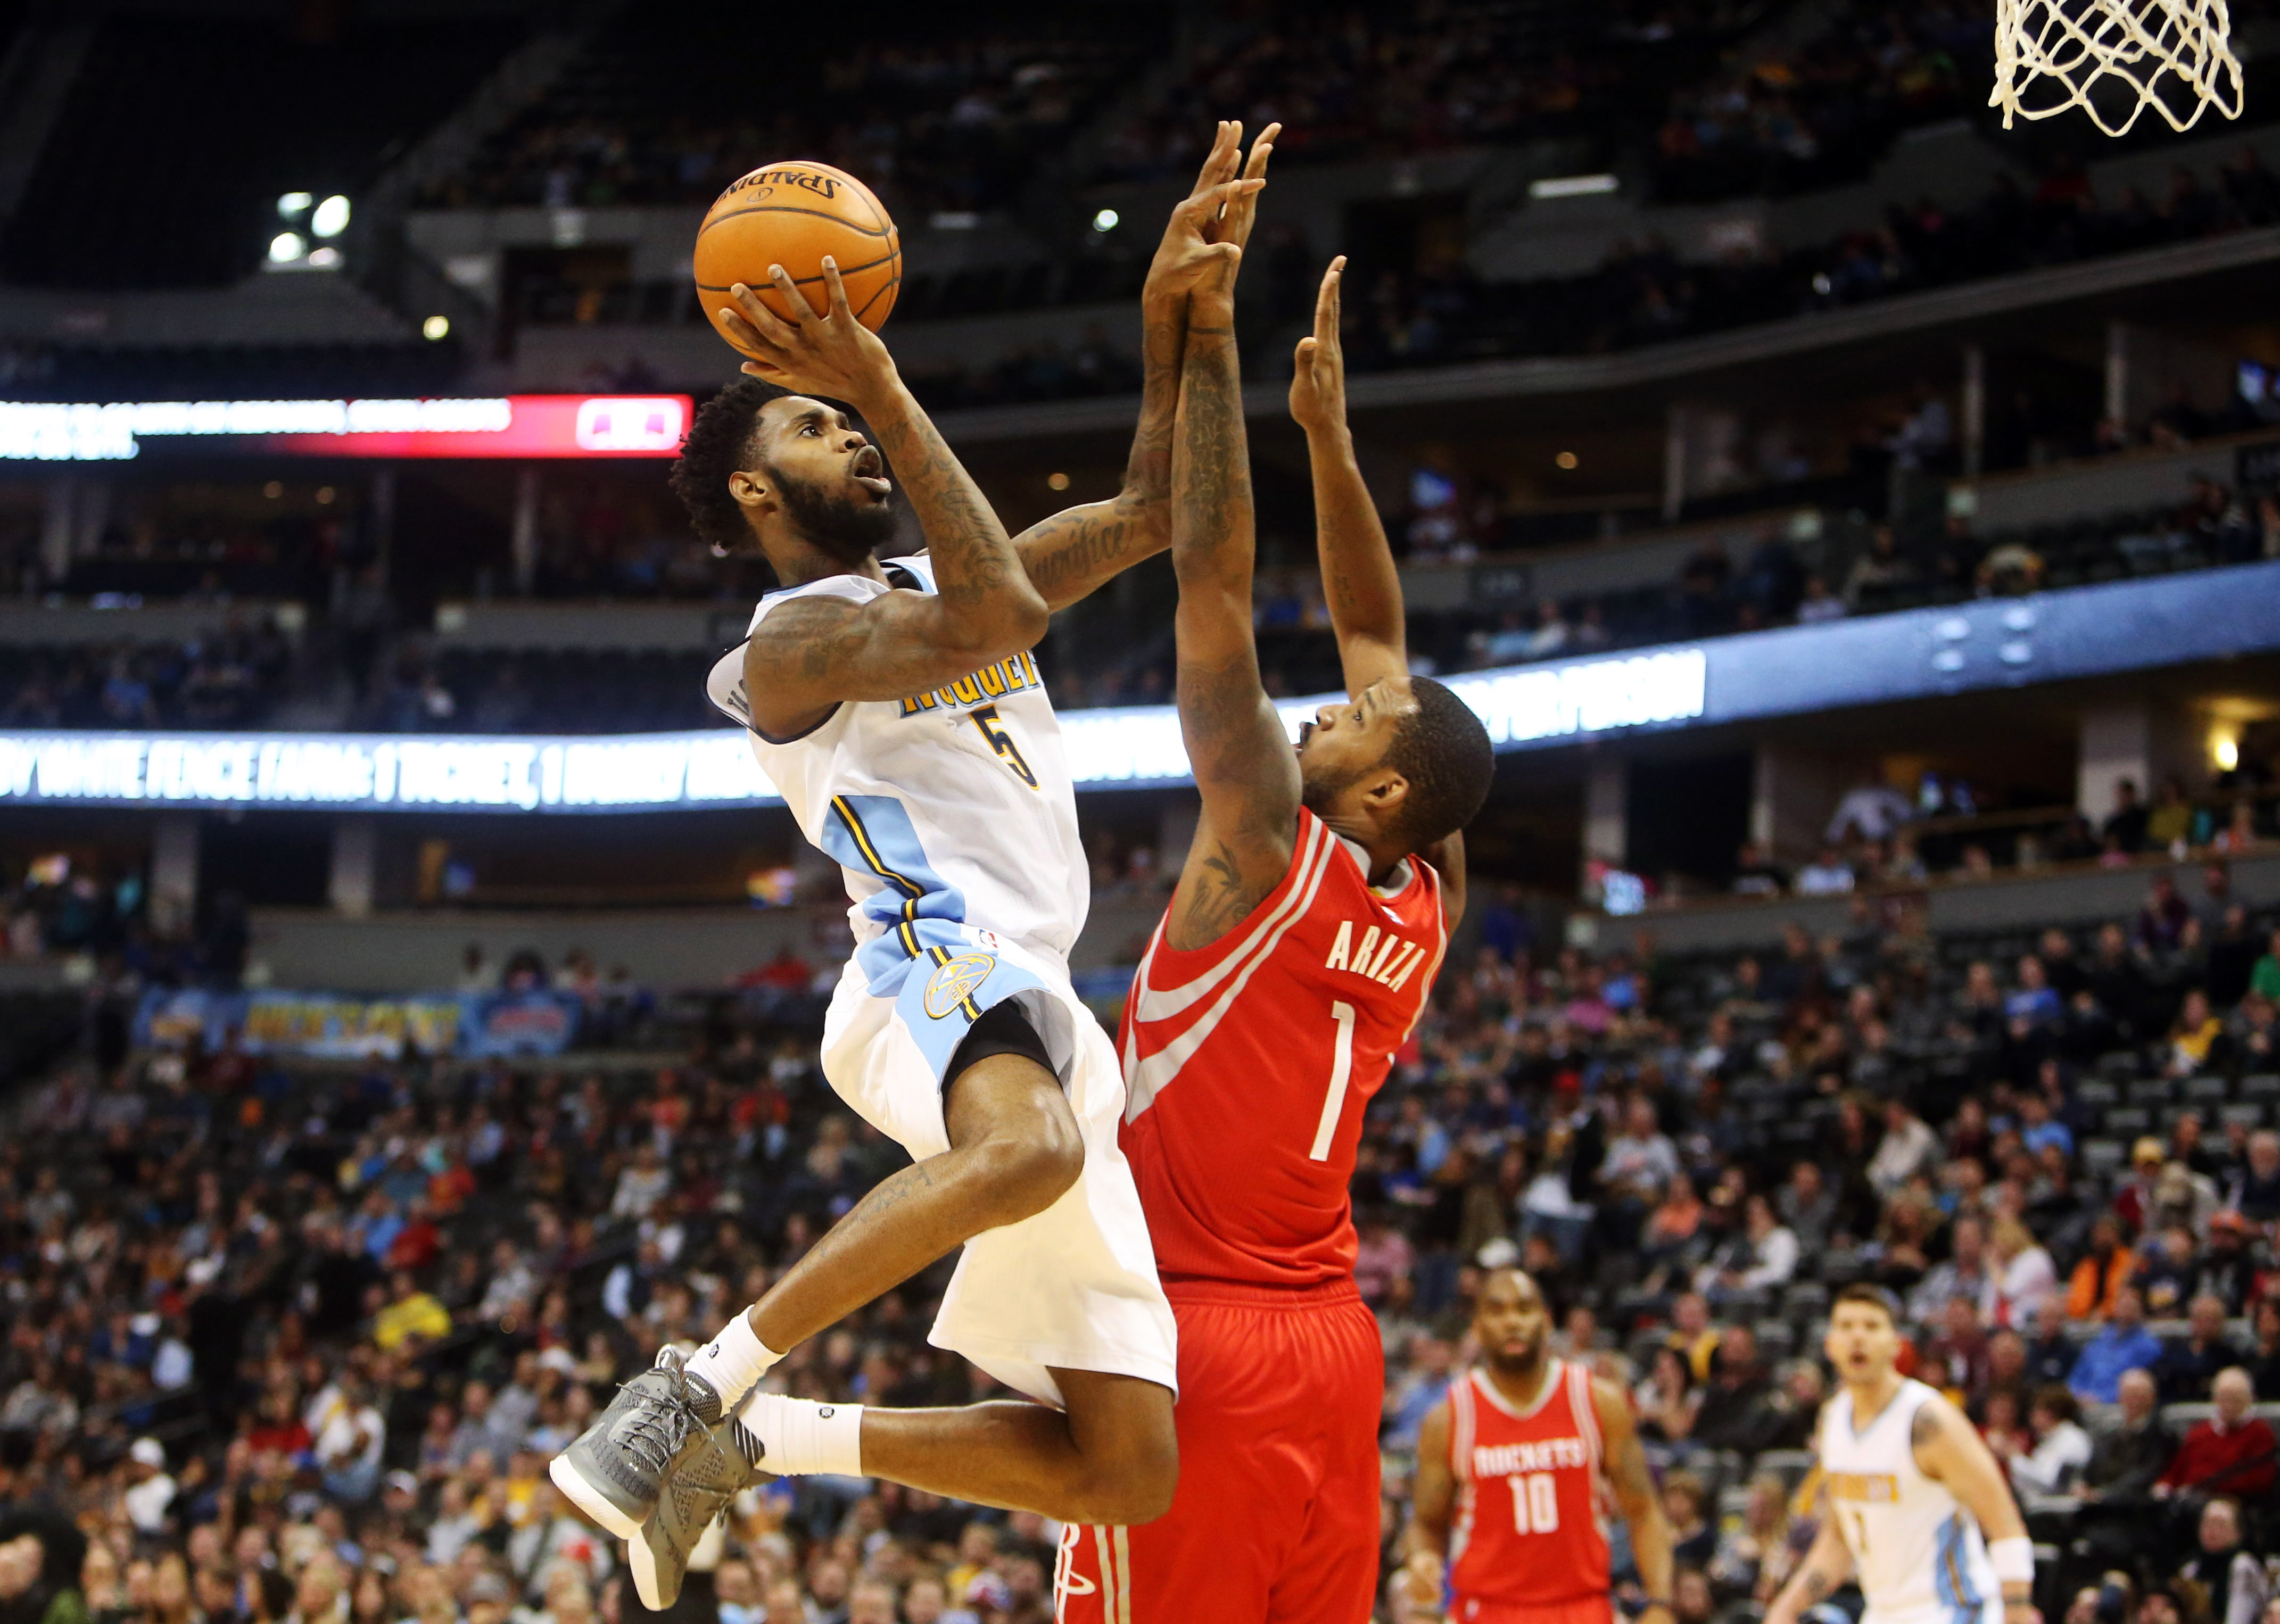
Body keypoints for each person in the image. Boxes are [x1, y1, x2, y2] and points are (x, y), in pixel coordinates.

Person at [548, 126, 1273, 1600]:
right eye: (816, 429)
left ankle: (766, 1439)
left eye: (852, 419)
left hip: (1036, 991)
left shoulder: (938, 577)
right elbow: (999, 616)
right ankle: (693, 1385)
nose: (857, 439)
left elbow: (1156, 511)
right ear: (755, 494)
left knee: (1126, 1465)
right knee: (1031, 1152)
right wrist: (877, 376)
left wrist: (1184, 320)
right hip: (929, 958)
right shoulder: (785, 649)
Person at [1058, 187, 1496, 1624]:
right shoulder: (1428, 894)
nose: (1327, 708)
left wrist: (1202, 335)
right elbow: (1378, 637)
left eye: (1353, 722)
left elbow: (1215, 580)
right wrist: (1328, 441)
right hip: (1333, 1350)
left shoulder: (1260, 839)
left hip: (1197, 1335)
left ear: (1383, 789)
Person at [1406, 1269, 1676, 1624]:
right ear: (1477, 1326)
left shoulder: (1597, 1402)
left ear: (1547, 1320)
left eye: (1524, 1308)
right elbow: (1427, 1524)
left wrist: (1660, 1603)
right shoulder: (1450, 1419)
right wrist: (1424, 1598)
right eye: (1497, 1311)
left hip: (1581, 1607)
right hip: (1485, 1610)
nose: (1512, 1322)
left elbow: (1643, 1510)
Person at [1764, 1285, 2037, 1624]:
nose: (1858, 1337)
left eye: (1872, 1326)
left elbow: (2006, 1524)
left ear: (1896, 1344)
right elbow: (1839, 1536)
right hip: (1883, 1613)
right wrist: (1786, 1608)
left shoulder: (1928, 1421)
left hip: (1953, 1611)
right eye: (1846, 1326)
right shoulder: (1833, 1419)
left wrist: (2017, 1613)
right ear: (1830, 1345)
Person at [2155, 1368, 2275, 1501]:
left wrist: (2204, 1488)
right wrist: (2165, 1485)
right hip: (2188, 1500)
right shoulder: (2199, 1432)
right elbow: (2177, 1470)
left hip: (2230, 1499)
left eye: (2236, 1399)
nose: (2229, 1405)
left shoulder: (2260, 1433)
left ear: (2250, 1399)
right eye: (2224, 1398)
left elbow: (2260, 1480)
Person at [2176, 1499, 2269, 1624]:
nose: (2212, 1530)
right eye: (2207, 1524)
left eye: (2221, 1525)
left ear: (2238, 1532)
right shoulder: (2190, 1570)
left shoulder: (2243, 1566)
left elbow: (2238, 1620)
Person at [2069, 1285, 2162, 1405]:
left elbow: (2138, 1386)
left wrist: (2101, 1400)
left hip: (2117, 1406)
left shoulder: (2148, 1347)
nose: (2126, 1308)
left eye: (2131, 1305)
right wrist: (2077, 1397)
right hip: (2083, 1402)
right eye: (2123, 1303)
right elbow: (2078, 1375)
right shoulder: (2100, 1339)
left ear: (2141, 1309)